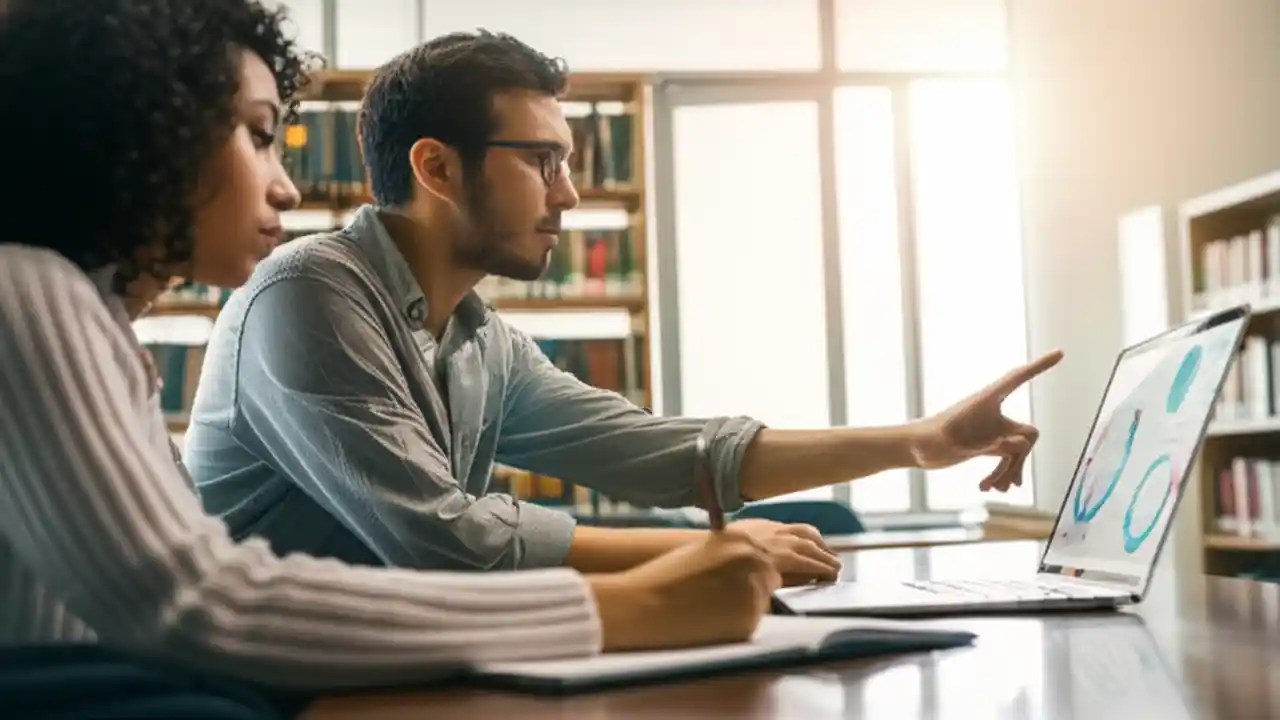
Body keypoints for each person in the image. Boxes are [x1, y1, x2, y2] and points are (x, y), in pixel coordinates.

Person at [0, 2, 784, 712]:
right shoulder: (28, 293)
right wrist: (634, 607)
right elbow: (197, 600)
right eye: (261, 136)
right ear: (145, 128)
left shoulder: (86, 317)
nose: (284, 187)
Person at [185, 32, 1064, 582]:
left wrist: (919, 440)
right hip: (264, 691)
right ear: (437, 168)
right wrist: (706, 551)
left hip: (384, 665)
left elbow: (672, 455)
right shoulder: (310, 293)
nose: (570, 195)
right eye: (542, 161)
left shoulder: (482, 343)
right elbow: (446, 539)